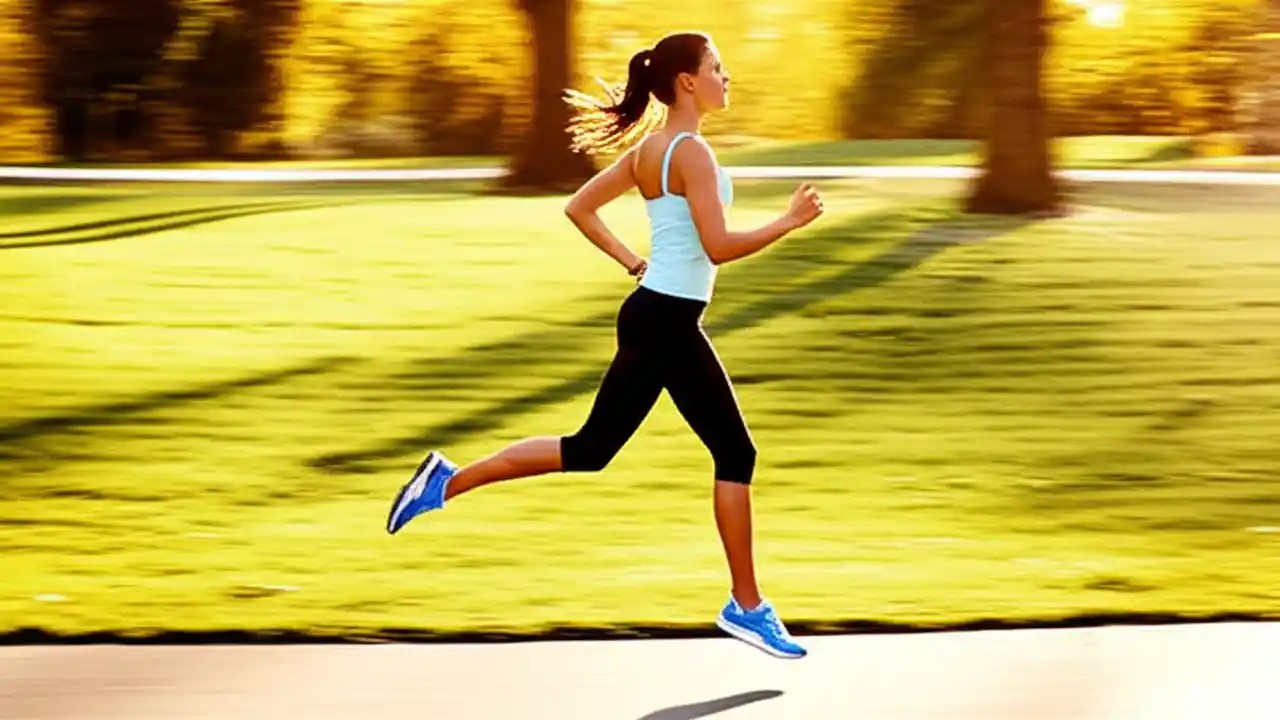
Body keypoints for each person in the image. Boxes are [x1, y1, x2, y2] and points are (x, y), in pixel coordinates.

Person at [386, 31, 824, 659]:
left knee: (591, 450)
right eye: (717, 68)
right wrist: (787, 222)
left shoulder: (652, 150)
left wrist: (632, 262)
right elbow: (719, 246)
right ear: (687, 82)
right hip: (667, 322)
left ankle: (447, 481)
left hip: (654, 316)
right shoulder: (691, 154)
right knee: (735, 451)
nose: (728, 78)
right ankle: (747, 605)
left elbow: (580, 207)